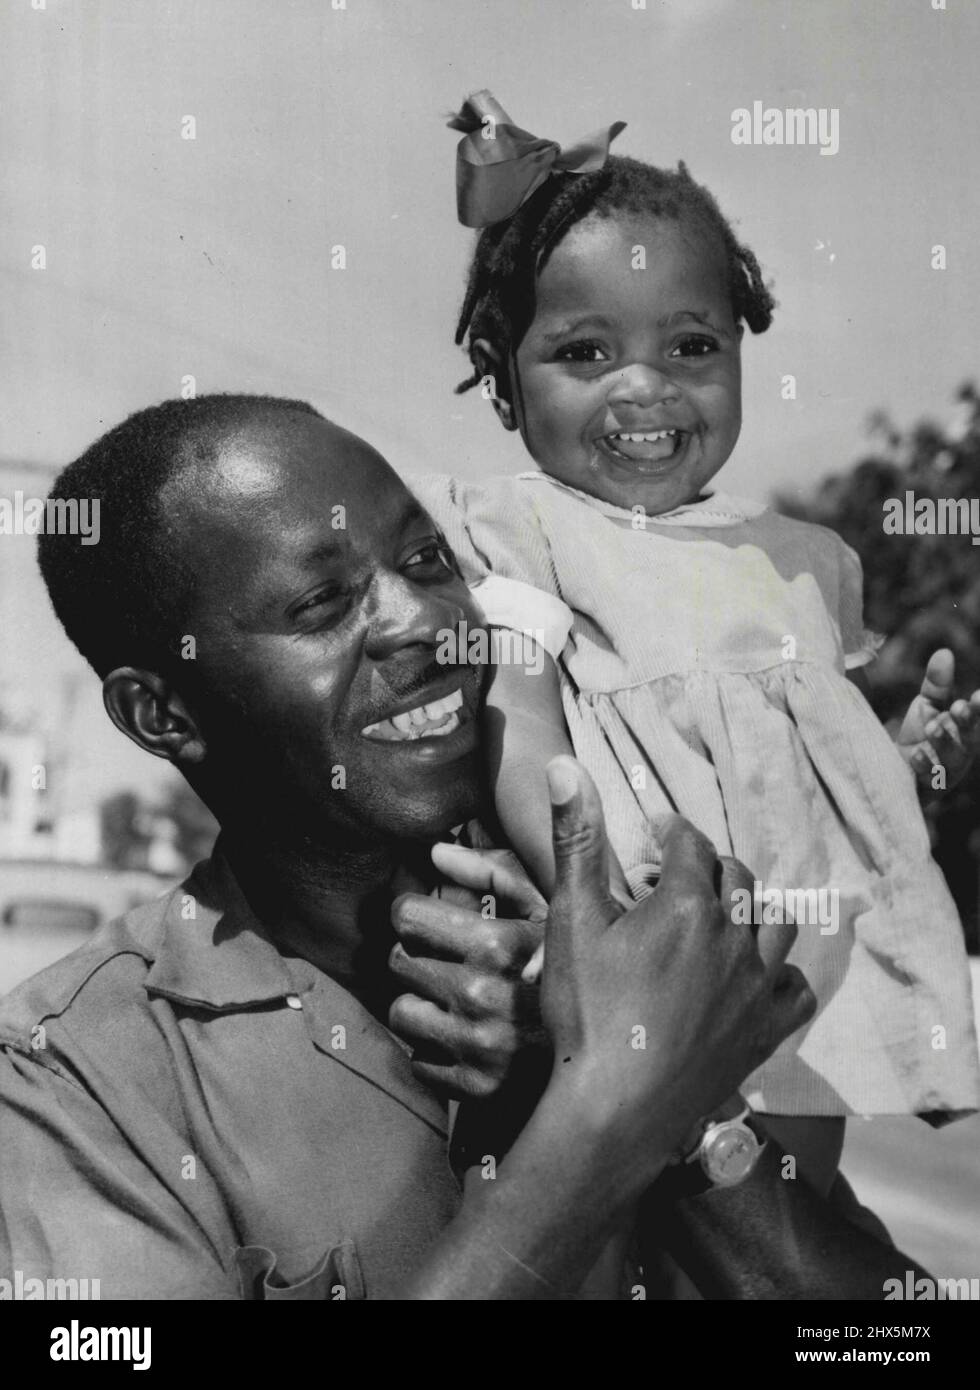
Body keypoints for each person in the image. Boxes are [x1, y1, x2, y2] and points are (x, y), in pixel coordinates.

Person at [0, 395, 919, 1299]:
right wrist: (607, 1116)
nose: (427, 619)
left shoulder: (617, 947)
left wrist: (684, 1115)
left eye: (427, 557)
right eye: (323, 603)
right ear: (162, 714)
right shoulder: (76, 1079)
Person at [415, 91, 980, 1120]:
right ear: (502, 387)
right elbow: (521, 723)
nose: (645, 388)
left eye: (689, 347)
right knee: (639, 1220)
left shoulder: (801, 560)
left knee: (791, 1192)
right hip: (632, 956)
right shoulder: (521, 530)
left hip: (798, 974)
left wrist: (902, 771)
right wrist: (597, 911)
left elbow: (811, 785)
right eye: (584, 353)